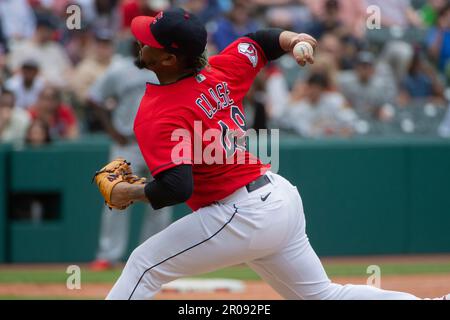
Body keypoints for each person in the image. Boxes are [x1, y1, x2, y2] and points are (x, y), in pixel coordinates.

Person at [96, 8, 449, 300]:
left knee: (143, 264)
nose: (141, 41)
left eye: (150, 42)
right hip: (276, 197)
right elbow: (262, 42)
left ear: (170, 59)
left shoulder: (159, 111)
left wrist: (131, 192)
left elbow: (177, 187)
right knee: (323, 296)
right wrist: (294, 39)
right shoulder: (220, 70)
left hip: (240, 211)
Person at [87, 41, 172, 271]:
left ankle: (152, 257)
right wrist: (112, 131)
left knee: (162, 200)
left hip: (160, 142)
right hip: (128, 142)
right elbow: (93, 97)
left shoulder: (167, 67)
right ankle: (108, 255)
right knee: (115, 196)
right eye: (142, 42)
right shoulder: (120, 70)